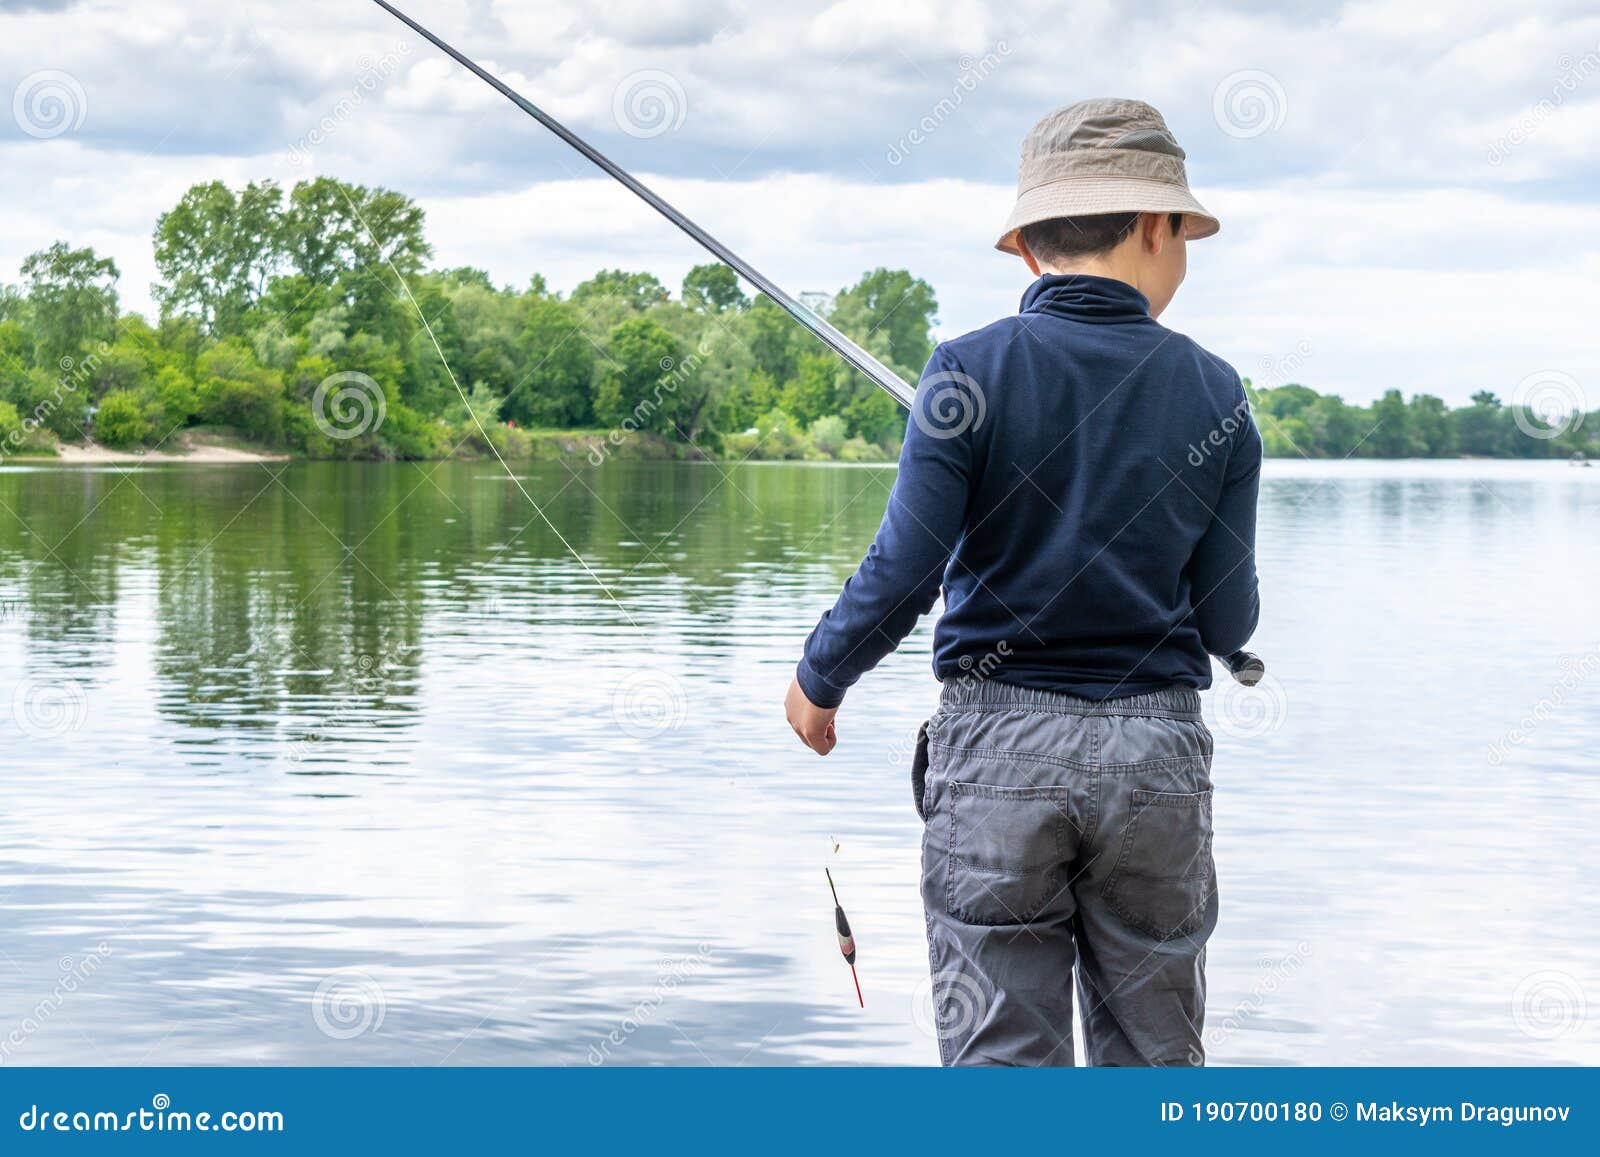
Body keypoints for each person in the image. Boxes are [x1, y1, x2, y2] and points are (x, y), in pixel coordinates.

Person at [783, 98, 1262, 1066]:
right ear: (1156, 224)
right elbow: (1225, 617)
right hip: (1153, 758)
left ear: (1032, 247)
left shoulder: (966, 369)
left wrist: (820, 674)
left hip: (998, 750)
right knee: (1156, 1060)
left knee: (1003, 1061)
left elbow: (905, 566)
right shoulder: (1216, 391)